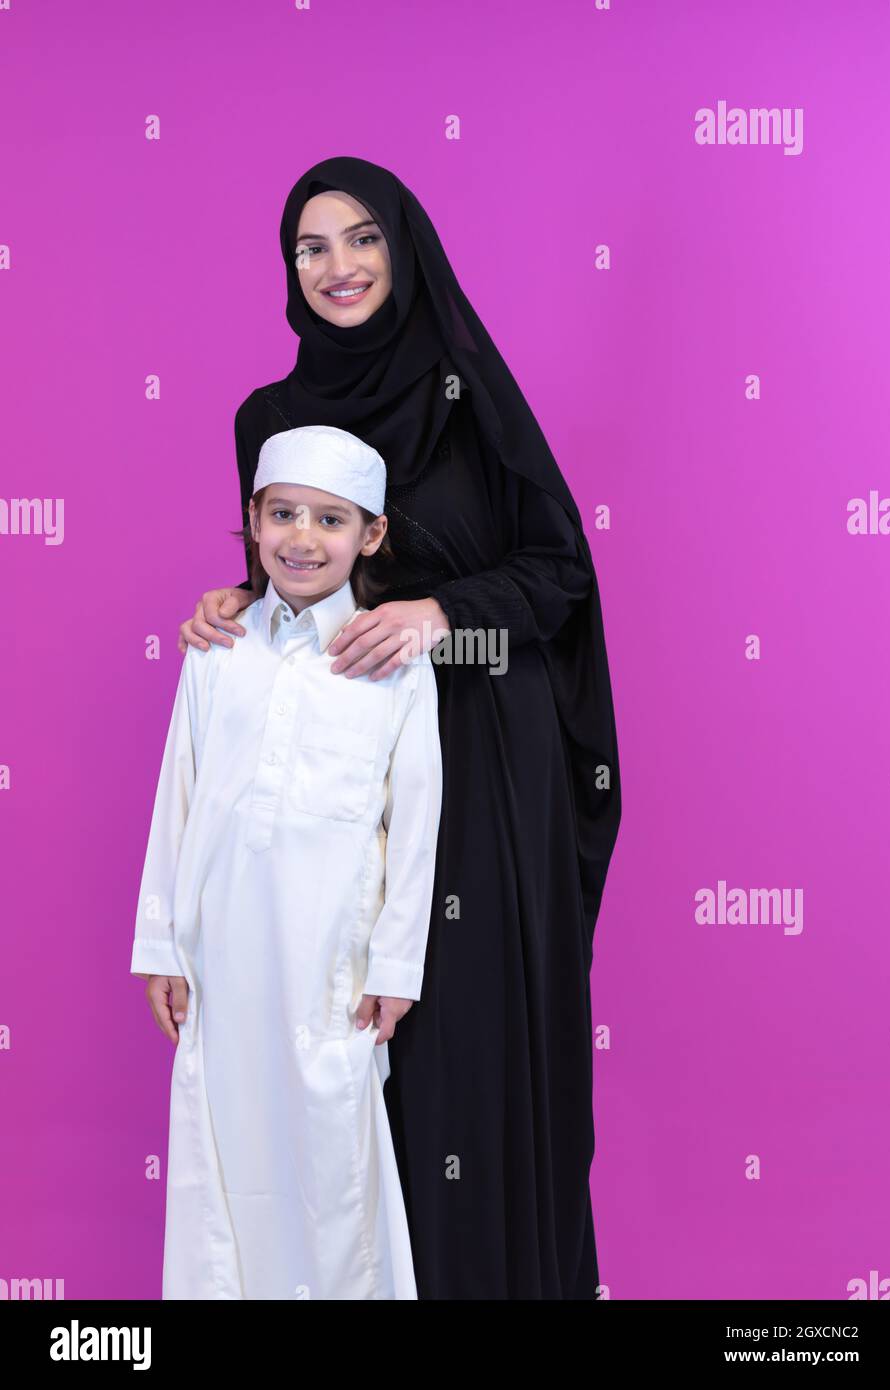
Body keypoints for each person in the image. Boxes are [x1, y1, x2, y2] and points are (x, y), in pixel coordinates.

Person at [178, 156, 622, 1299]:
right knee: (345, 1049)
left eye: (363, 238)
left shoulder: (469, 392)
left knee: (454, 1048)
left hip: (479, 767)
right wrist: (239, 602)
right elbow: (294, 564)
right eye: (310, 247)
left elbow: (560, 569)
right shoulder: (269, 417)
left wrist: (440, 614)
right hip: (339, 787)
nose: (339, 267)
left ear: (405, 248)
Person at [131, 424, 443, 1300]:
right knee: (222, 1147)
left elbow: (414, 823)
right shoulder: (218, 651)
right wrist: (160, 946)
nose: (302, 539)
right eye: (283, 515)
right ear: (253, 520)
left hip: (329, 964)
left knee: (329, 1153)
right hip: (218, 951)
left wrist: (395, 965)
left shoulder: (391, 664)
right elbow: (177, 798)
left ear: (370, 535)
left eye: (329, 520)